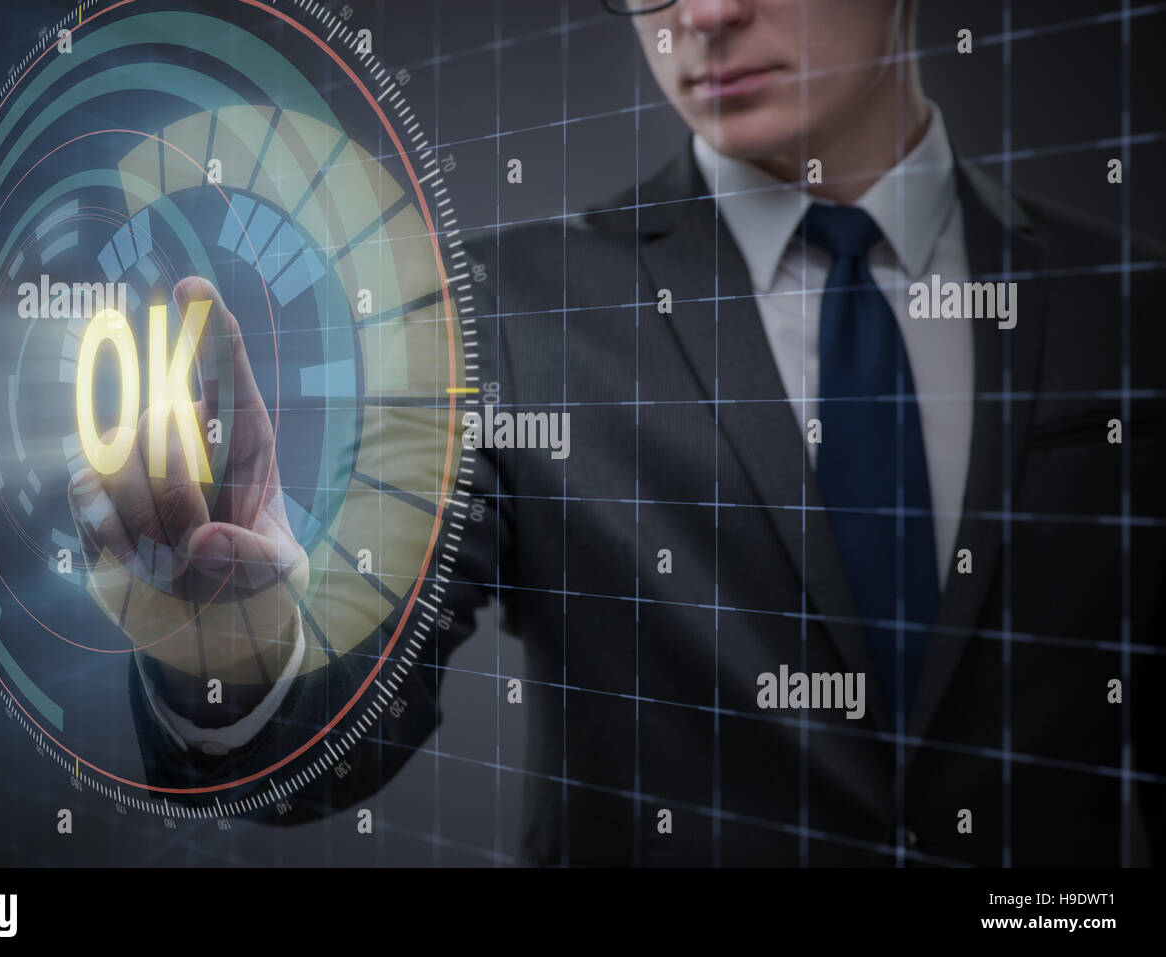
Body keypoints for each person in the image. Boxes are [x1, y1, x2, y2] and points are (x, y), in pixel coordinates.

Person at [71, 0, 1165, 865]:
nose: (702, 13)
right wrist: (232, 649)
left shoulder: (1125, 308)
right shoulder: (498, 312)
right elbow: (344, 715)